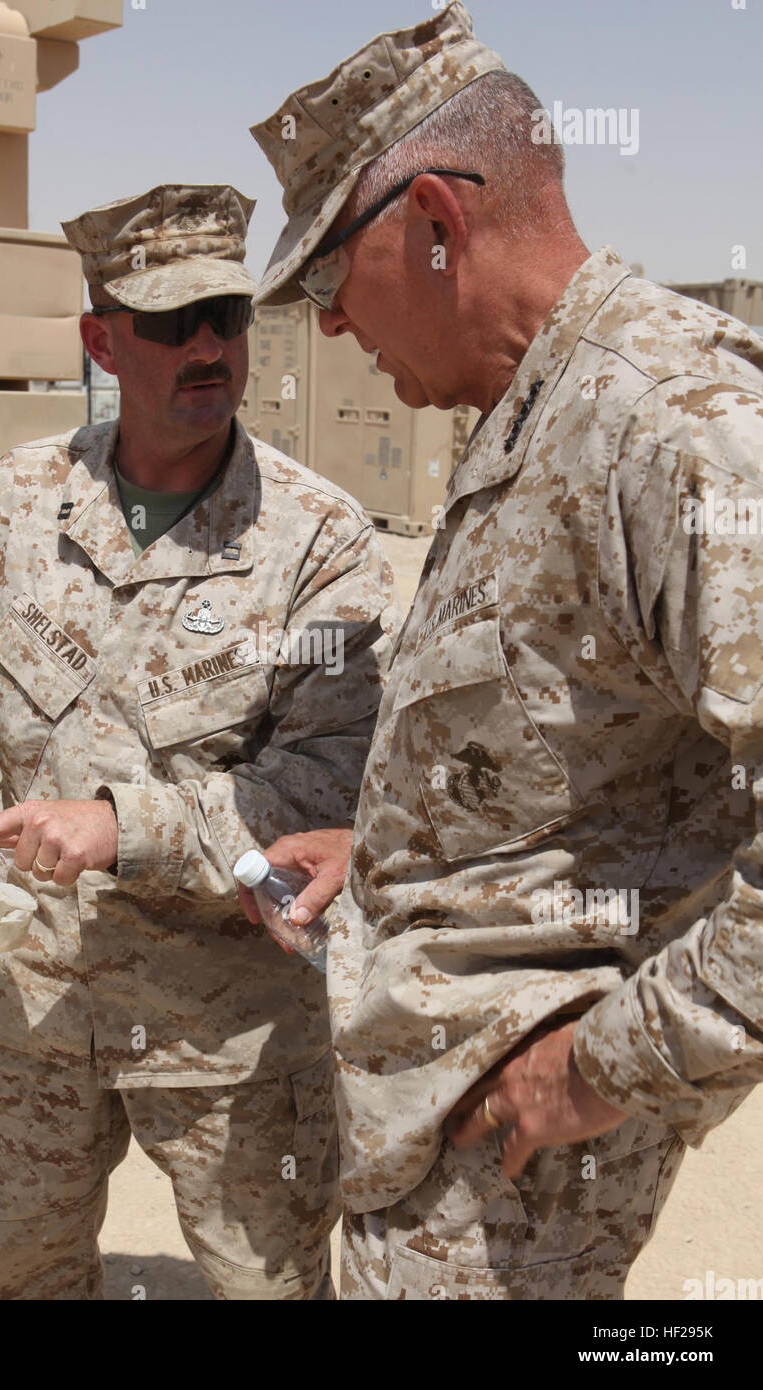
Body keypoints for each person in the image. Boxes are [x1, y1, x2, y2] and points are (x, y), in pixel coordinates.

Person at [245, 5, 763, 1299]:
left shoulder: (668, 426)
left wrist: (604, 1064)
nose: (322, 328)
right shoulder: (531, 406)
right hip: (432, 1099)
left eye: (324, 278)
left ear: (434, 221)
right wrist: (402, 846)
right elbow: (584, 745)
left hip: (519, 1150)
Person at [0, 184, 400, 1300]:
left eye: (226, 316)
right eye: (168, 320)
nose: (207, 346)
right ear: (101, 338)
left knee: (271, 1288)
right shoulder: (15, 501)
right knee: (20, 1279)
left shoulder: (318, 540)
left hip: (229, 1032)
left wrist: (120, 828)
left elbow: (331, 780)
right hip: (30, 1005)